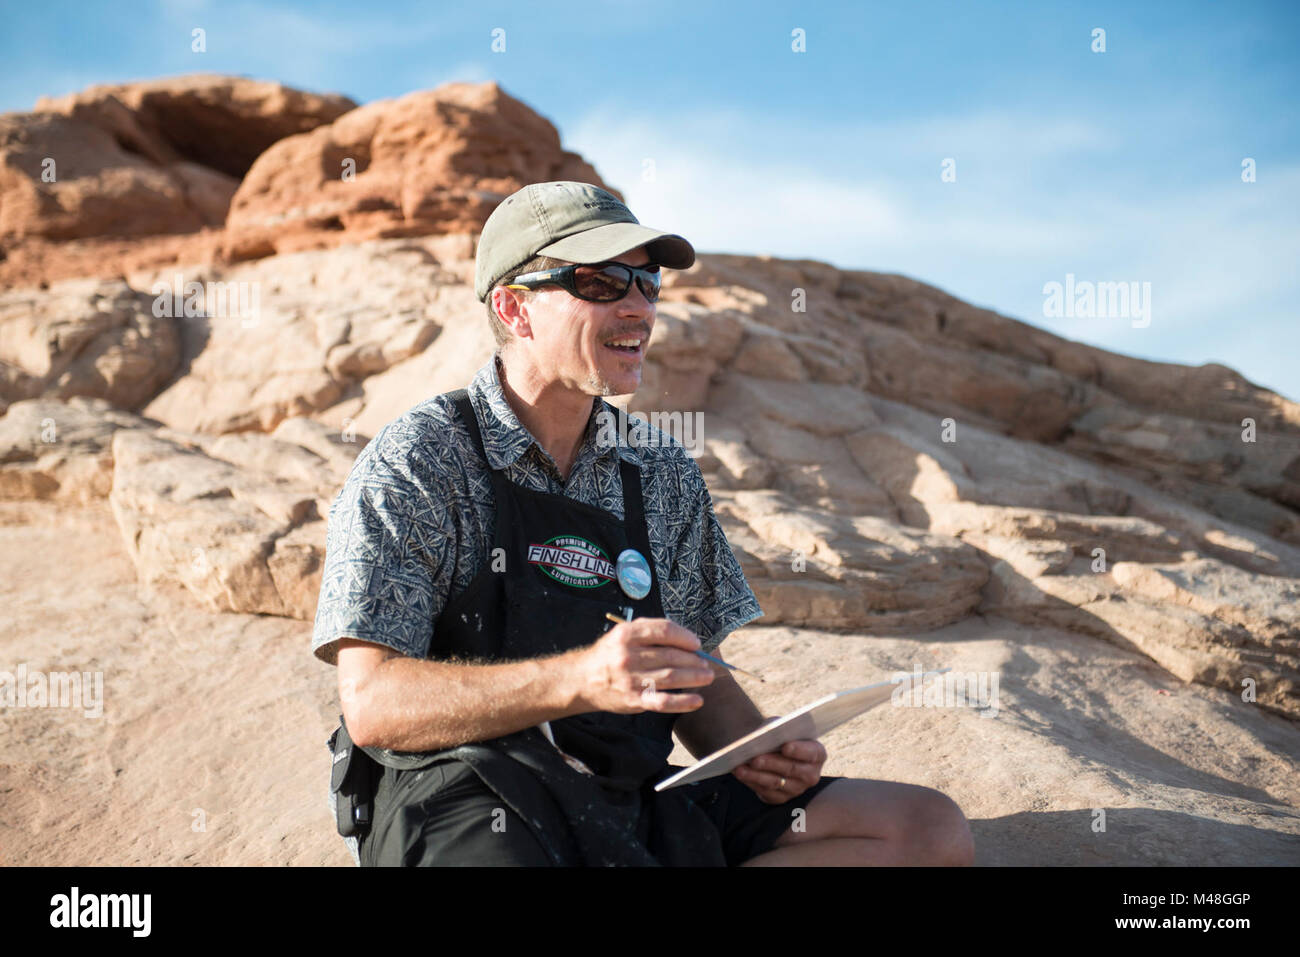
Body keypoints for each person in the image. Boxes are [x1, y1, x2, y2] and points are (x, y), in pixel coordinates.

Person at [311, 181, 975, 866]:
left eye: (648, 281)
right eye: (601, 282)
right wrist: (579, 678)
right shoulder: (421, 458)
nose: (638, 306)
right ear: (515, 307)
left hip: (636, 795)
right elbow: (373, 700)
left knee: (924, 831)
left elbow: (691, 670)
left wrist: (757, 748)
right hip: (469, 799)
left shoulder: (659, 470)